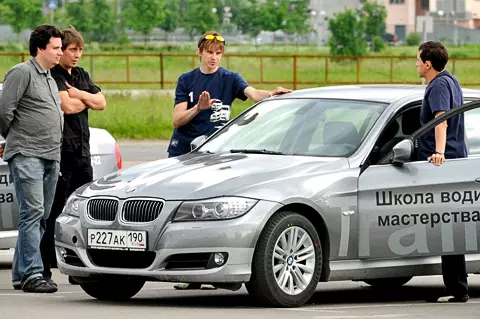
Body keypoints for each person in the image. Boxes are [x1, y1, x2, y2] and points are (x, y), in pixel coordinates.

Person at [40, 26, 106, 286]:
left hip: (82, 153)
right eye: (71, 50)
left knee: (82, 213)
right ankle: (44, 267)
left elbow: (102, 102)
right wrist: (84, 99)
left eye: (80, 50)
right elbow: (66, 107)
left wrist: (80, 94)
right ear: (61, 51)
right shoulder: (52, 74)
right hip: (61, 154)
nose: (77, 54)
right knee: (55, 212)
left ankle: (79, 268)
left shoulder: (81, 74)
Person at [0, 24, 64, 293]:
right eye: (56, 48)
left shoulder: (49, 77)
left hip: (50, 155)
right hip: (27, 153)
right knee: (32, 213)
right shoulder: (22, 72)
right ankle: (32, 273)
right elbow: (4, 112)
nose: (60, 52)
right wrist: (15, 139)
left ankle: (20, 274)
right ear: (40, 49)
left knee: (41, 217)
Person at [167, 30, 292, 158]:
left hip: (214, 149)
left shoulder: (230, 78)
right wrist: (198, 108)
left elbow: (254, 94)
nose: (214, 57)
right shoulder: (186, 79)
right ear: (199, 52)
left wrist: (272, 94)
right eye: (209, 52)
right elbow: (177, 121)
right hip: (184, 149)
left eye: (218, 53)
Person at [416, 41, 469, 303]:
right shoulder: (451, 80)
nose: (416, 64)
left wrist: (439, 152)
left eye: (418, 60)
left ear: (428, 64)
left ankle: (457, 288)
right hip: (456, 161)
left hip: (442, 165)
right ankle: (457, 286)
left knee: (447, 226)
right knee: (450, 225)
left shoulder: (437, 85)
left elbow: (441, 119)